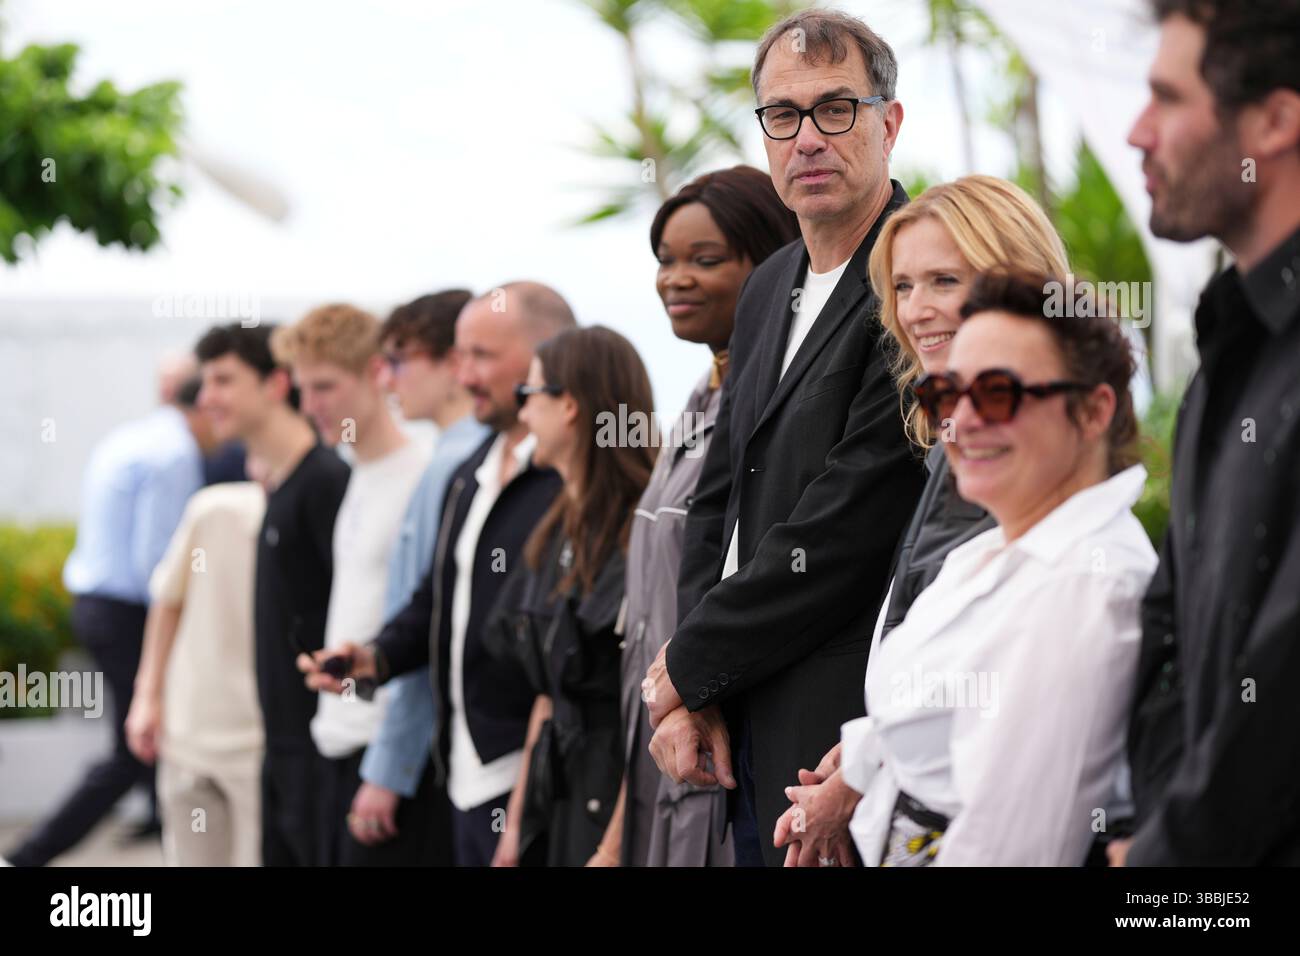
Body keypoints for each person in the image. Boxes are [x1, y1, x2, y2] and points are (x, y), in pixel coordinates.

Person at [643, 7, 926, 867]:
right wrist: (695, 690)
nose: (807, 138)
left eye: (835, 109)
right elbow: (716, 501)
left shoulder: (916, 277)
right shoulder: (769, 284)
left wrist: (689, 663)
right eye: (782, 114)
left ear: (888, 123)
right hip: (741, 725)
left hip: (845, 735)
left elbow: (848, 522)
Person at [774, 175, 1069, 865]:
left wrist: (857, 772)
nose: (916, 310)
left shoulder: (1032, 439)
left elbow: (994, 658)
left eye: (944, 281)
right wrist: (865, 752)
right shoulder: (947, 435)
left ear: (1016, 281)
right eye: (903, 286)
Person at [839, 269, 1155, 865]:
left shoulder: (1085, 585)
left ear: (1092, 412)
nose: (961, 422)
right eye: (945, 394)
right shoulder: (990, 551)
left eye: (997, 392)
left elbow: (1013, 847)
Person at [300, 282, 576, 866]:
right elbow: (439, 599)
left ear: (544, 357)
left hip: (535, 776)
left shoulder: (569, 481)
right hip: (463, 774)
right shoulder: (470, 470)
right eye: (459, 355)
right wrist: (372, 657)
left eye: (481, 356)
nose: (464, 374)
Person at [1114, 0, 1300, 866]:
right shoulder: (1230, 341)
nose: (1137, 132)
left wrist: (1167, 867)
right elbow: (1171, 632)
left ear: (1274, 121)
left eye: (1167, 97)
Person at [591, 166, 798, 868]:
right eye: (665, 260)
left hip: (720, 759)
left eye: (705, 260)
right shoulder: (699, 399)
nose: (674, 279)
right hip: (659, 746)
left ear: (771, 264)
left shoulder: (771, 410)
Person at [4, 355, 204, 867]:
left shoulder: (130, 438)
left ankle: (165, 833)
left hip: (95, 604)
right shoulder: (176, 453)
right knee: (138, 744)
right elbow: (157, 563)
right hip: (125, 612)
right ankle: (27, 857)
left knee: (148, 740)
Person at [268, 304, 434, 867]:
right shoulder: (356, 470)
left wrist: (391, 768)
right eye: (302, 388)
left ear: (377, 372)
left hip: (387, 760)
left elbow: (429, 630)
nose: (310, 405)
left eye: (325, 387)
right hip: (337, 739)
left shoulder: (423, 473)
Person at [490, 326, 656, 866]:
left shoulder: (645, 532)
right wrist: (515, 829)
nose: (521, 413)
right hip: (557, 801)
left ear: (569, 406)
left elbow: (652, 709)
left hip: (614, 808)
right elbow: (548, 693)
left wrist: (611, 851)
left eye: (528, 394)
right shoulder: (556, 528)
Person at [195, 322, 351, 867]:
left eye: (224, 380)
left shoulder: (326, 482)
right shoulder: (283, 485)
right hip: (282, 749)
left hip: (320, 756)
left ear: (276, 383)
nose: (207, 398)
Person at [345, 291, 489, 864]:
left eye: (398, 360)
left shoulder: (454, 463)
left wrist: (389, 766)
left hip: (431, 762)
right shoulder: (458, 456)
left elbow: (430, 625)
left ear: (452, 363)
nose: (385, 378)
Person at [124, 455, 268, 866]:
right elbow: (168, 600)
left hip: (246, 743)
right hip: (198, 736)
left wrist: (147, 698)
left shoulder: (315, 503)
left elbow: (166, 600)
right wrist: (148, 696)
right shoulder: (215, 510)